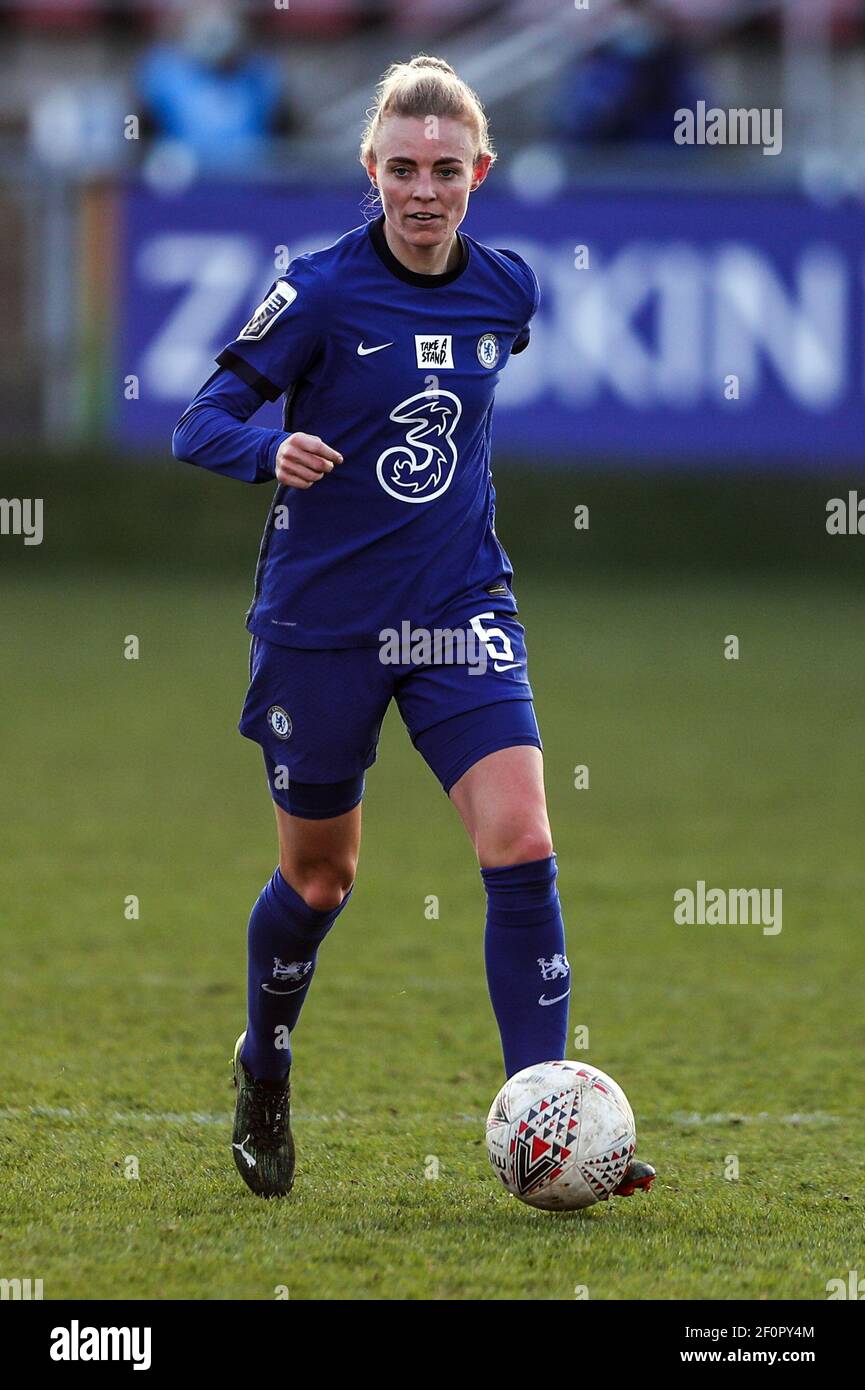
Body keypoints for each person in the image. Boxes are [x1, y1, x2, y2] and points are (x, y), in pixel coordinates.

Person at [173, 54, 656, 1203]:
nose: (423, 190)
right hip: (322, 625)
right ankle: (264, 1066)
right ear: (371, 171)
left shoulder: (508, 289)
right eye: (401, 169)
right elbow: (202, 418)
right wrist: (265, 450)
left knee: (522, 841)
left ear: (479, 172)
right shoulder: (320, 291)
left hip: (458, 609)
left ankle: (547, 1114)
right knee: (322, 877)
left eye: (445, 169)